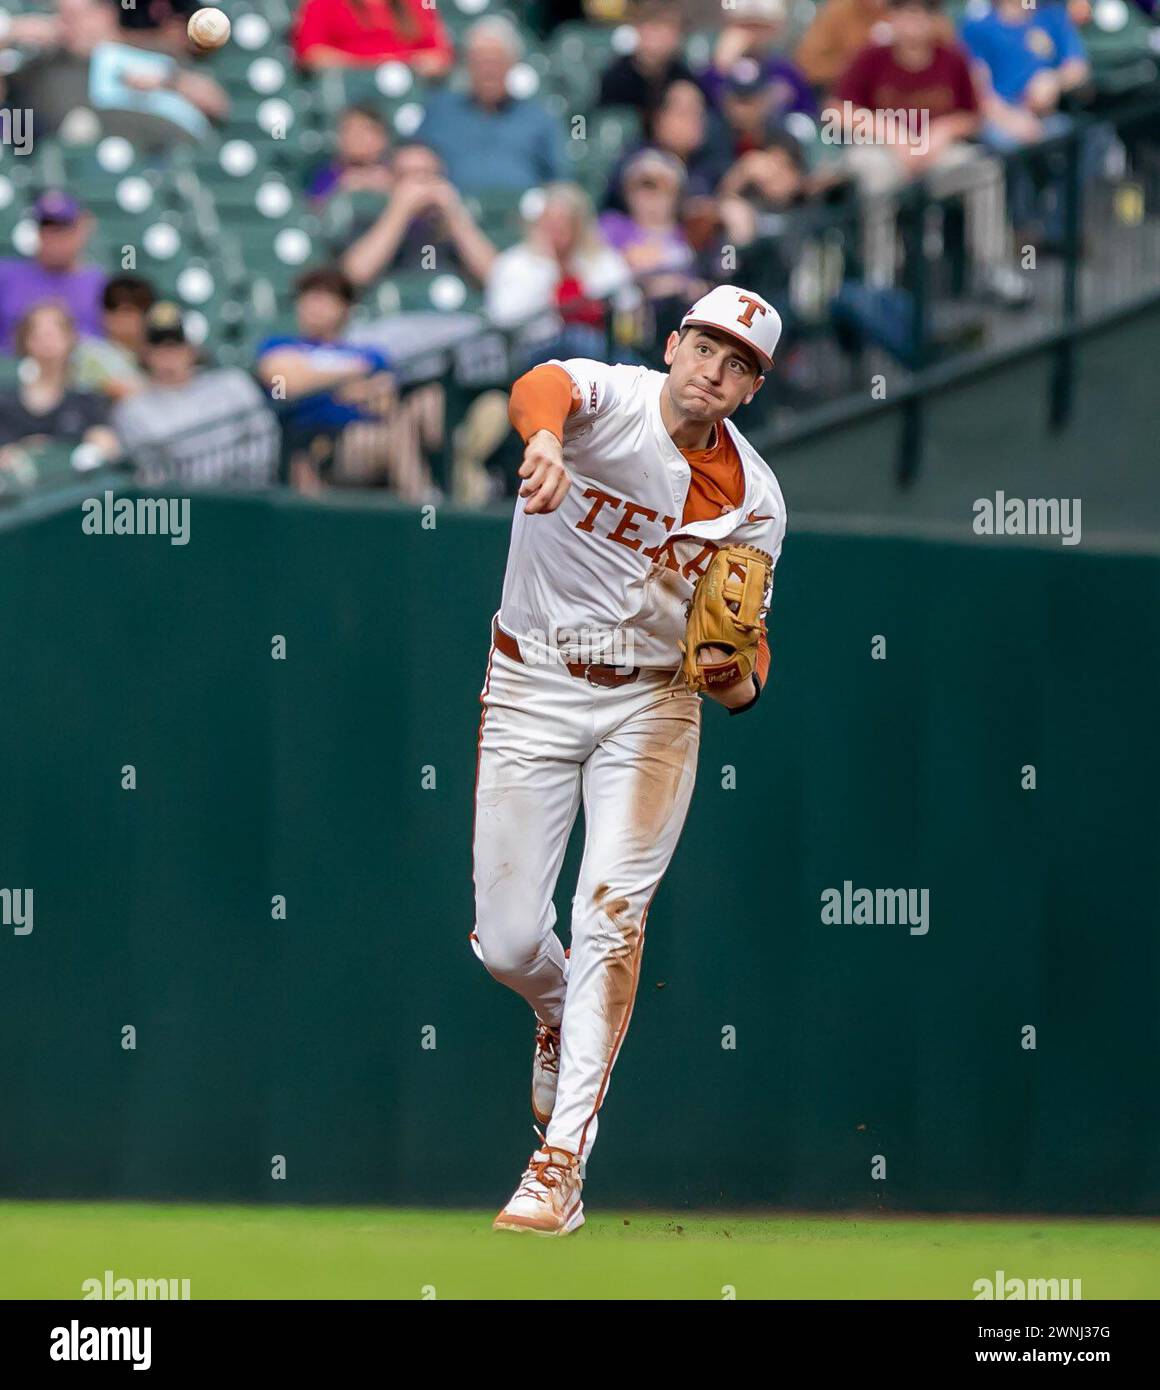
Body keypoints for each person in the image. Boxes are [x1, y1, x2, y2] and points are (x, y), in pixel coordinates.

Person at [474, 285, 786, 1234]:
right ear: (674, 343)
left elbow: (744, 666)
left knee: (610, 912)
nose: (714, 371)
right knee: (510, 944)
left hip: (654, 700)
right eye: (705, 347)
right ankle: (555, 1008)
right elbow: (542, 383)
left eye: (738, 365)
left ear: (751, 389)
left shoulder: (753, 500)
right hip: (531, 680)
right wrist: (542, 440)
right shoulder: (608, 399)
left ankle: (559, 1164)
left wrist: (735, 672)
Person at [828, 0, 1028, 303]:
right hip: (884, 153)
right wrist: (891, 134)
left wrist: (941, 133)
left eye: (922, 13)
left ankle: (993, 269)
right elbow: (837, 110)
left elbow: (973, 116)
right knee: (875, 176)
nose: (913, 22)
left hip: (937, 155)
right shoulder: (872, 56)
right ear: (892, 18)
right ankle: (879, 280)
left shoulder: (952, 57)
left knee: (984, 171)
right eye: (906, 13)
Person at [255, 266, 433, 497]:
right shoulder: (279, 345)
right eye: (308, 299)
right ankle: (429, 508)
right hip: (314, 445)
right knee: (396, 438)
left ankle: (440, 493)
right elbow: (285, 384)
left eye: (324, 300)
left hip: (367, 434)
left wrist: (314, 379)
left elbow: (384, 402)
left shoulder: (370, 353)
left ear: (345, 308)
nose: (314, 308)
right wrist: (348, 379)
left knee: (422, 407)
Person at [0, 0, 228, 144]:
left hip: (170, 153)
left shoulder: (147, 47)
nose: (67, 25)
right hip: (96, 165)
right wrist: (11, 33)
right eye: (62, 17)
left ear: (105, 13)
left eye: (76, 16)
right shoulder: (45, 64)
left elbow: (217, 104)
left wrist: (167, 81)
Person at [112, 303, 278, 488]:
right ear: (146, 354)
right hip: (185, 507)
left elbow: (264, 435)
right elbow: (152, 473)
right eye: (159, 347)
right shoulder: (133, 409)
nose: (168, 356)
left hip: (243, 497)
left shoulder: (232, 384)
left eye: (175, 346)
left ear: (192, 349)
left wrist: (243, 485)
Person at [485, 183, 636, 369]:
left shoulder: (601, 259)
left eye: (564, 221)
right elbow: (503, 317)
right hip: (536, 351)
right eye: (549, 221)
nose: (556, 228)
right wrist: (545, 266)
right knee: (576, 338)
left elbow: (628, 302)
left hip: (601, 347)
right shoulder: (515, 263)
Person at [417, 16, 566, 195]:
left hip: (520, 217)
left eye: (495, 62)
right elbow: (413, 160)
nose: (488, 71)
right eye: (480, 62)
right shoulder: (440, 112)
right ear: (467, 65)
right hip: (450, 214)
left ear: (512, 65)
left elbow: (559, 180)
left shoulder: (539, 118)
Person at [341, 142, 499, 289]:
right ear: (390, 181)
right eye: (407, 176)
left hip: (455, 314)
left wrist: (455, 215)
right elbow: (354, 277)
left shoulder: (458, 221)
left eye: (428, 175)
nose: (419, 184)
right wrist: (399, 210)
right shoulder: (371, 216)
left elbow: (497, 278)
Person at [0, 304, 118, 463]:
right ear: (26, 341)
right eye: (38, 334)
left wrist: (95, 449)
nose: (47, 342)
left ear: (70, 338)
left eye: (54, 333)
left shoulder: (87, 399)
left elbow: (107, 444)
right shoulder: (6, 402)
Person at [598, 149, 707, 309]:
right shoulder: (611, 226)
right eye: (642, 187)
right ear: (627, 192)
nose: (651, 197)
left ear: (677, 194)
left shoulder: (690, 231)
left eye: (661, 187)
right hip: (627, 317)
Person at [0, 193, 106, 353]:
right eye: (45, 227)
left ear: (81, 229)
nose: (52, 236)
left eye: (62, 228)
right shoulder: (6, 276)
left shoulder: (100, 286)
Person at [795, 0, 956, 92]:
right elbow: (808, 64)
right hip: (860, 109)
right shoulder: (839, 11)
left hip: (920, 103)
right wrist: (860, 61)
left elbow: (953, 60)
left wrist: (911, 38)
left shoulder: (921, 10)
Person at [699, 0, 815, 116]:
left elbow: (808, 116)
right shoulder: (717, 69)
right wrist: (721, 65)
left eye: (760, 27)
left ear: (775, 28)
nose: (753, 34)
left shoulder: (785, 72)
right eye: (746, 26)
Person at [292, 0, 454, 76]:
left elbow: (439, 56)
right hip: (348, 93)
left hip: (405, 88)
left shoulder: (415, 3)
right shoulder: (324, 3)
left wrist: (401, 64)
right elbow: (312, 55)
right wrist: (373, 66)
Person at [597, 0, 695, 114]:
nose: (660, 39)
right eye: (654, 28)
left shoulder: (683, 78)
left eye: (669, 29)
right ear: (638, 29)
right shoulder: (616, 78)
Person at [72, 275, 157, 401]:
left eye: (135, 311)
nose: (128, 319)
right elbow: (117, 389)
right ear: (104, 314)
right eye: (123, 311)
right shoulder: (90, 352)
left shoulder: (154, 353)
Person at [307, 105, 395, 204]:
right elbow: (311, 211)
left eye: (363, 130)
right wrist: (344, 187)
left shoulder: (397, 174)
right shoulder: (327, 177)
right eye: (348, 130)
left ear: (382, 138)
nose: (354, 137)